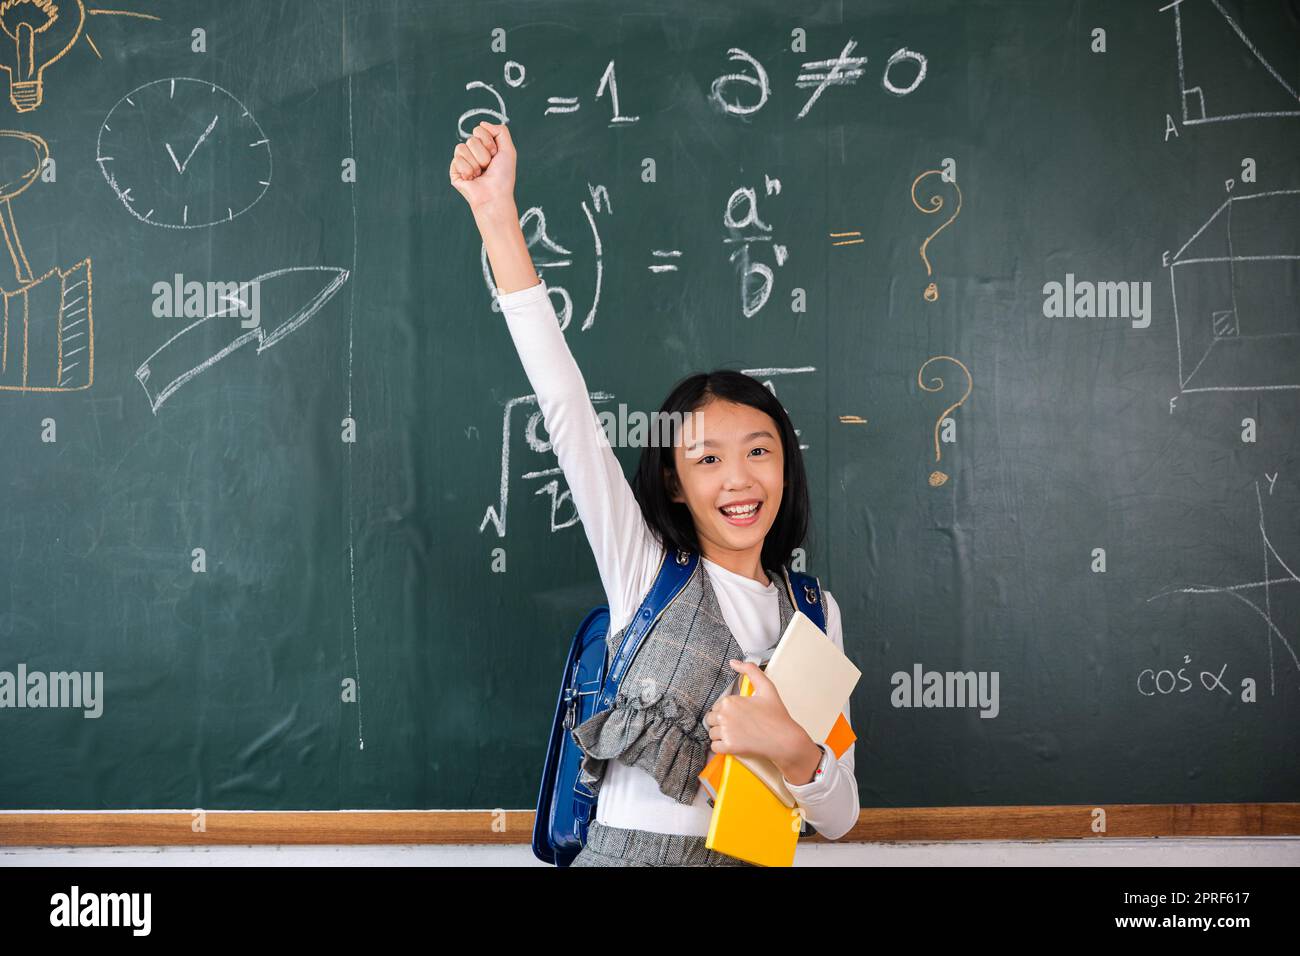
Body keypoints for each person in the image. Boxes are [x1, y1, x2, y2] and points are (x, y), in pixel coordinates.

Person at [450, 121, 858, 866]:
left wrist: (788, 744)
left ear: (785, 467)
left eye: (759, 452)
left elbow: (839, 816)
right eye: (708, 459)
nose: (739, 479)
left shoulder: (815, 613)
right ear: (675, 479)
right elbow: (566, 407)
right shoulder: (643, 571)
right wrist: (496, 217)